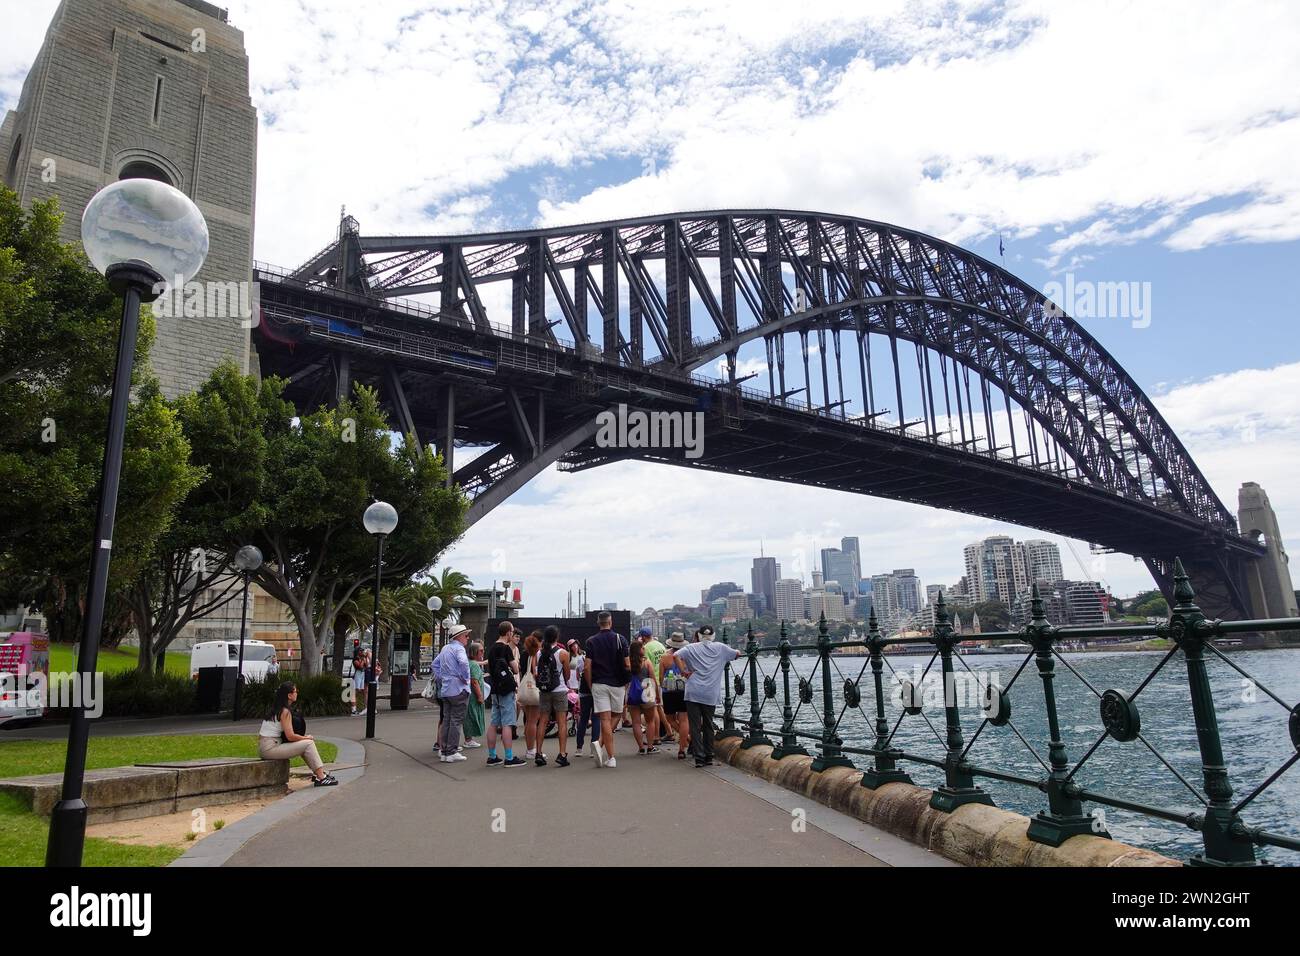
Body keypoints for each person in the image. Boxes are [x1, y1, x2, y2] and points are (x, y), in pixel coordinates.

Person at [673, 625, 741, 767]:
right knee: (708, 724)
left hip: (693, 691)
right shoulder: (720, 648)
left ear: (698, 635)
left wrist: (684, 671)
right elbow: (737, 654)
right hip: (710, 692)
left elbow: (675, 655)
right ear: (713, 635)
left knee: (695, 726)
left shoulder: (691, 648)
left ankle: (699, 757)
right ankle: (709, 755)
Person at [257, 681, 337, 786]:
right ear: (289, 695)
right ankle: (321, 777)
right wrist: (305, 737)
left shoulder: (277, 708)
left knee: (304, 744)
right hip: (270, 748)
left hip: (267, 747)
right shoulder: (285, 711)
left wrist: (303, 738)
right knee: (308, 743)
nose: (297, 693)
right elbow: (290, 736)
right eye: (296, 691)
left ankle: (319, 774)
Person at [583, 610, 630, 768]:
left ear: (598, 623)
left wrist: (590, 684)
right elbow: (628, 664)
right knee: (616, 715)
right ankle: (603, 747)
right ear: (611, 622)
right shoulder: (620, 639)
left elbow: (587, 666)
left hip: (599, 683)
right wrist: (626, 682)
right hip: (617, 684)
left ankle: (610, 756)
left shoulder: (591, 641)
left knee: (604, 719)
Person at [529, 625, 571, 767]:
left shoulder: (538, 653)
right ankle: (562, 754)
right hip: (559, 690)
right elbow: (567, 675)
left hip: (544, 690)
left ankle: (539, 753)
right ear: (557, 637)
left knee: (543, 721)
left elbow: (534, 672)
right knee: (562, 722)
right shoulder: (563, 653)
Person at [486, 621, 524, 767]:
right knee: (508, 723)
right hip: (506, 690)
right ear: (508, 632)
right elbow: (515, 669)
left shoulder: (492, 649)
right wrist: (514, 665)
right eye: (512, 632)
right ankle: (509, 757)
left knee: (494, 723)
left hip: (495, 689)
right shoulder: (506, 648)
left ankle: (492, 756)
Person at [433, 624, 472, 762]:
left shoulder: (445, 648)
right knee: (456, 720)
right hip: (458, 689)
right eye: (466, 635)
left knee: (447, 720)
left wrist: (441, 677)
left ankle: (444, 750)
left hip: (446, 689)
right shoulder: (459, 649)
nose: (468, 638)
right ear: (460, 636)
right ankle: (451, 751)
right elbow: (463, 662)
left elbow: (435, 664)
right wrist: (466, 678)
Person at [659, 632, 690, 759]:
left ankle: (686, 739)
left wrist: (661, 687)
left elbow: (661, 676)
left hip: (669, 691)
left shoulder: (665, 657)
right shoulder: (686, 656)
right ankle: (682, 749)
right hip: (684, 690)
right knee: (684, 720)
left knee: (670, 719)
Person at [639, 627, 672, 744]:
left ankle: (656, 736)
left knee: (654, 710)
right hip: (663, 679)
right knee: (659, 707)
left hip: (651, 681)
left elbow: (646, 665)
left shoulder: (646, 648)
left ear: (643, 637)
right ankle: (668, 731)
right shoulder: (661, 645)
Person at [627, 639, 660, 755]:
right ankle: (650, 747)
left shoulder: (628, 663)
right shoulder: (647, 663)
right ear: (639, 650)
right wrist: (657, 695)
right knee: (650, 721)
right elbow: (653, 679)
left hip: (633, 694)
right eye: (643, 648)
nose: (644, 649)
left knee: (636, 722)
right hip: (647, 691)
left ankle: (641, 747)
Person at [519, 630, 543, 761]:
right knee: (534, 721)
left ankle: (529, 749)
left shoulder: (523, 655)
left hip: (525, 690)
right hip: (534, 690)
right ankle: (532, 750)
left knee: (528, 720)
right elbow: (535, 673)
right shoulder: (535, 655)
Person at [463, 641, 486, 749]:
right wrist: (480, 696)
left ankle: (468, 739)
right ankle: (469, 740)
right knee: (472, 716)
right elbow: (474, 681)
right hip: (473, 695)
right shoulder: (474, 665)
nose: (482, 653)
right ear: (475, 652)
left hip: (468, 693)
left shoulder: (469, 662)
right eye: (481, 651)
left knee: (469, 716)